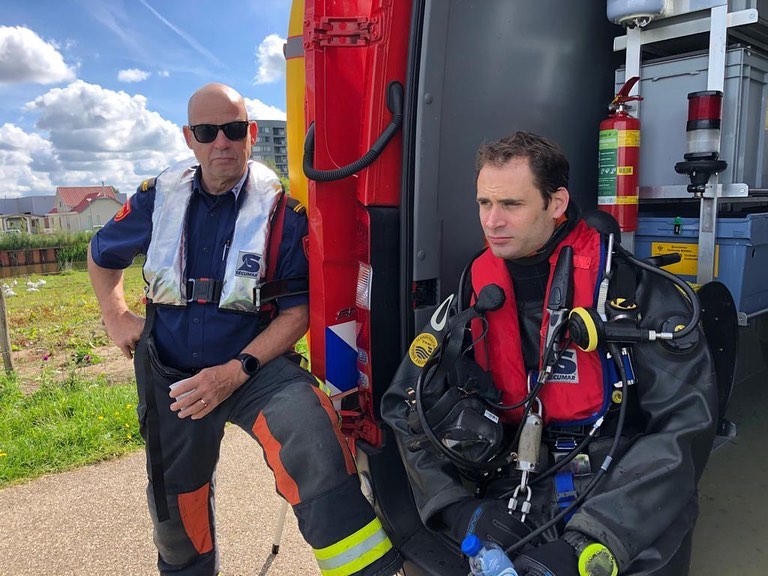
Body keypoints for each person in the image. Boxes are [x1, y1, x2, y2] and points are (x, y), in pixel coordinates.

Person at [88, 83, 402, 576]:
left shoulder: (286, 214)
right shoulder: (156, 198)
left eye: (234, 130)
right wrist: (115, 315)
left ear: (252, 133)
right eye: (208, 132)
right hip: (171, 375)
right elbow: (101, 253)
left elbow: (297, 313)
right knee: (175, 504)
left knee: (314, 439)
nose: (222, 144)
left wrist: (235, 372)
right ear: (189, 138)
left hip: (255, 368)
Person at [381, 131, 718, 575]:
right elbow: (405, 405)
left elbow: (686, 428)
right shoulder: (472, 293)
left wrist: (593, 537)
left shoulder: (632, 295)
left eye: (512, 205)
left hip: (617, 490)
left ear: (556, 204)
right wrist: (457, 507)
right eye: (485, 203)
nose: (492, 221)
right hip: (505, 488)